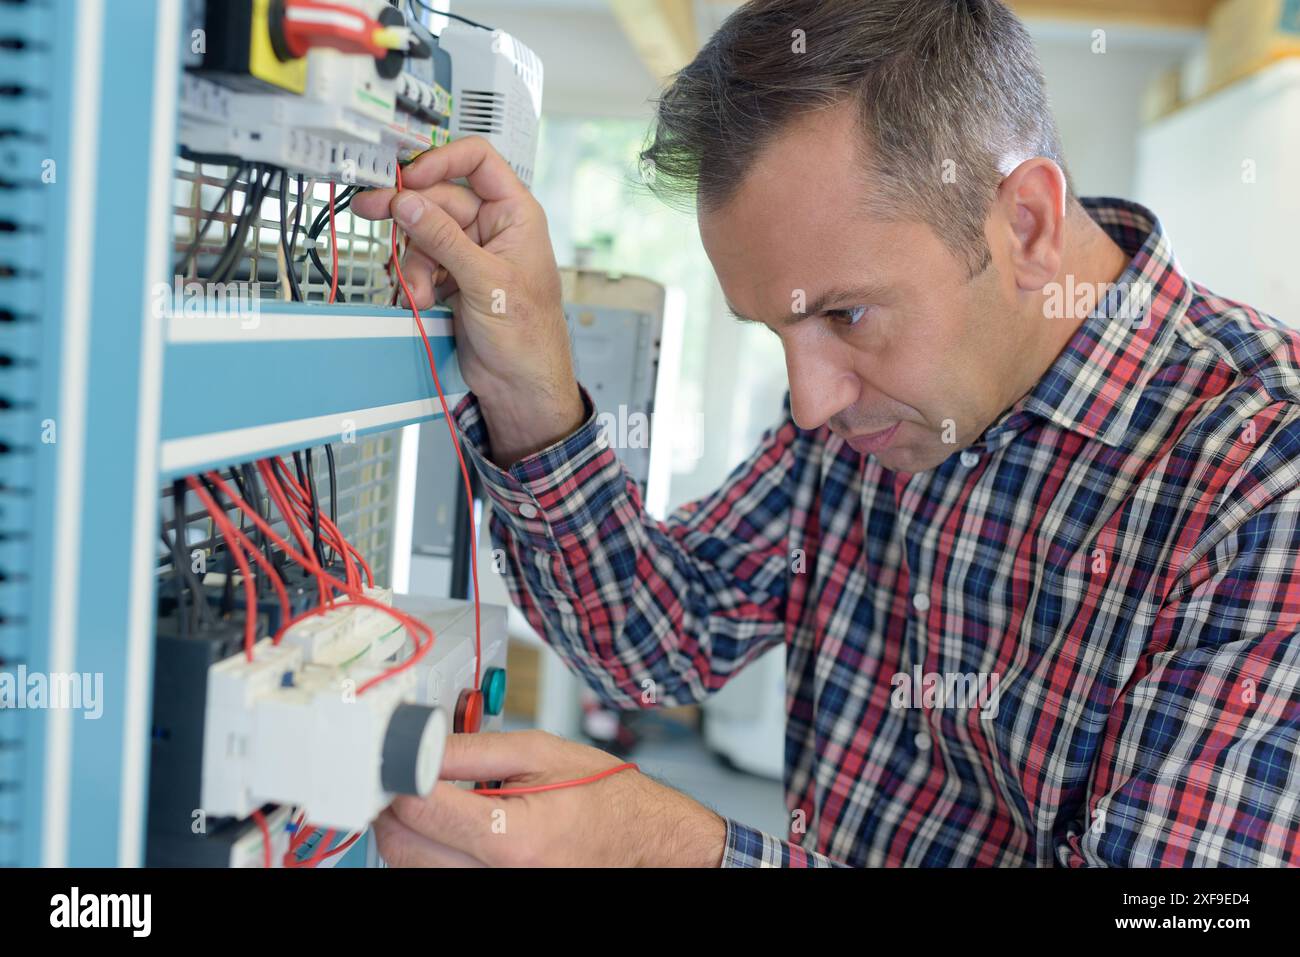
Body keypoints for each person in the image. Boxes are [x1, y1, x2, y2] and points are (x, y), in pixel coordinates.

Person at [353, 0, 1300, 866]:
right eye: (779, 331)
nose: (809, 403)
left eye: (846, 316)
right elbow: (659, 638)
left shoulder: (1265, 477)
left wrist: (663, 850)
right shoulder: (873, 402)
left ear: (1028, 223)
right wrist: (530, 388)